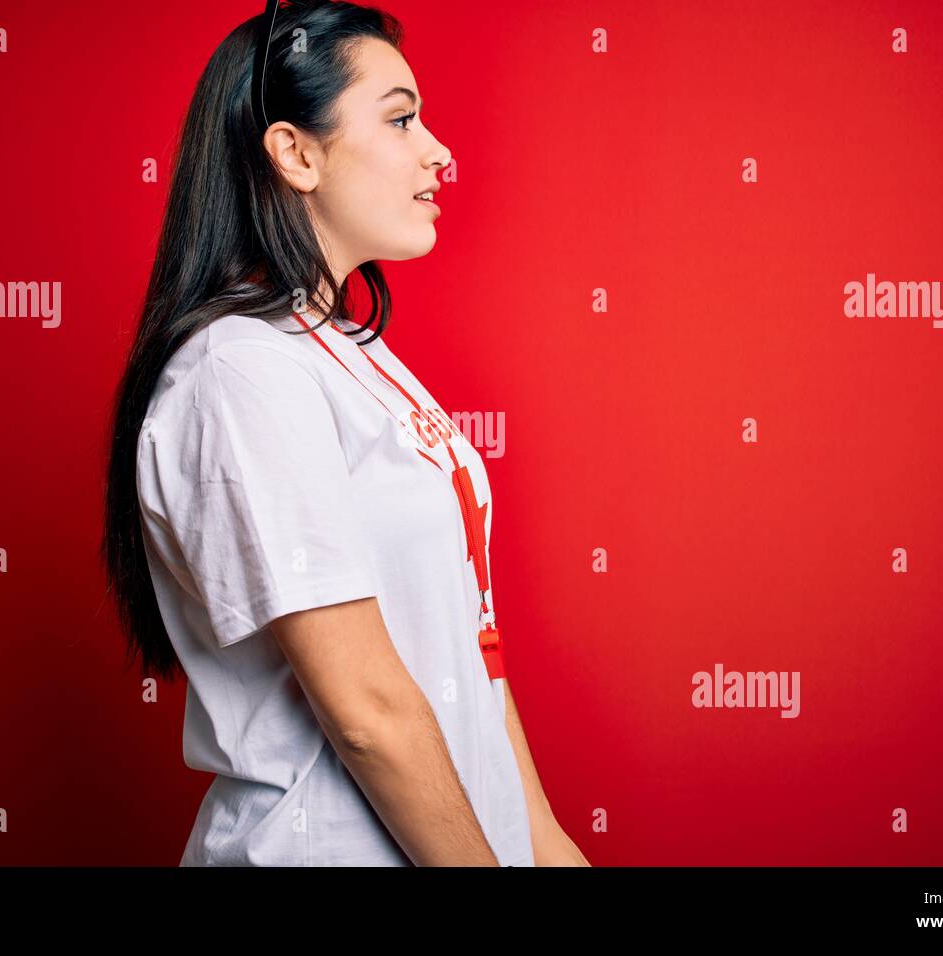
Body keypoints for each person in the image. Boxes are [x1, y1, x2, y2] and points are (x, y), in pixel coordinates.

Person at [101, 0, 589, 867]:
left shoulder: (350, 354)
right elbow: (366, 711)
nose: (439, 151)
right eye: (401, 118)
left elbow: (471, 658)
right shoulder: (241, 370)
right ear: (295, 152)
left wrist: (547, 849)